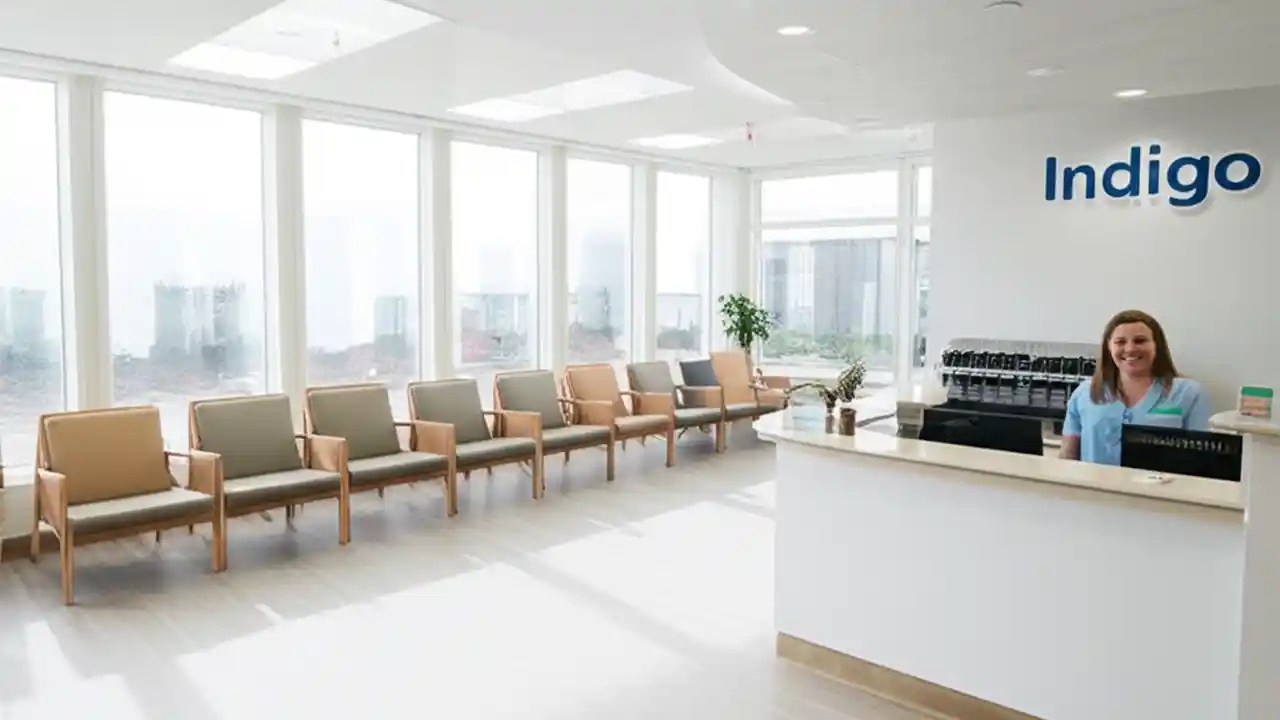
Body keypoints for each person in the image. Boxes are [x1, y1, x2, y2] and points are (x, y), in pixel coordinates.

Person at [1061, 309, 1211, 465]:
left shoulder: (1190, 394)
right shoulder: (1085, 393)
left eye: (1140, 341)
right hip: (1096, 488)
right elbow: (1067, 457)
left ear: (1157, 346)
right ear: (1109, 347)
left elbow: (1200, 462)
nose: (1130, 349)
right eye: (1120, 342)